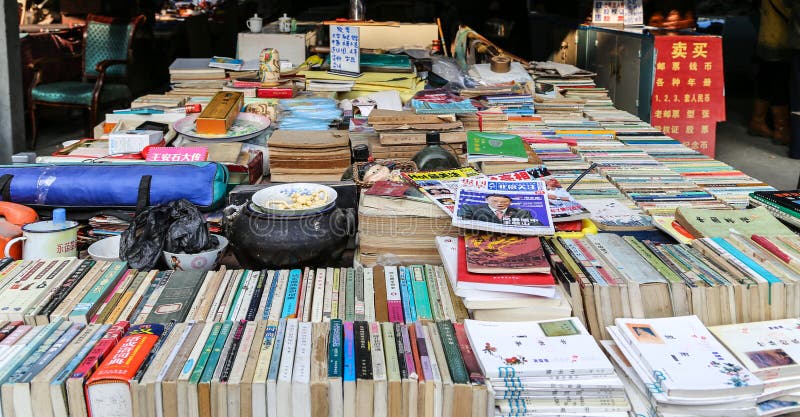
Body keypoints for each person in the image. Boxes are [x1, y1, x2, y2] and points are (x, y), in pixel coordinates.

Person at [751, 0, 792, 145]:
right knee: (780, 82)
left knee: (766, 78)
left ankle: (758, 121)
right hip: (781, 39)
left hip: (767, 37)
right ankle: (781, 130)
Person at [458, 194, 541, 225]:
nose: (499, 204)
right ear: (486, 200)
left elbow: (537, 226)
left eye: (504, 202)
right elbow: (462, 224)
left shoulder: (523, 213)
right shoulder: (470, 208)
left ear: (510, 202)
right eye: (495, 201)